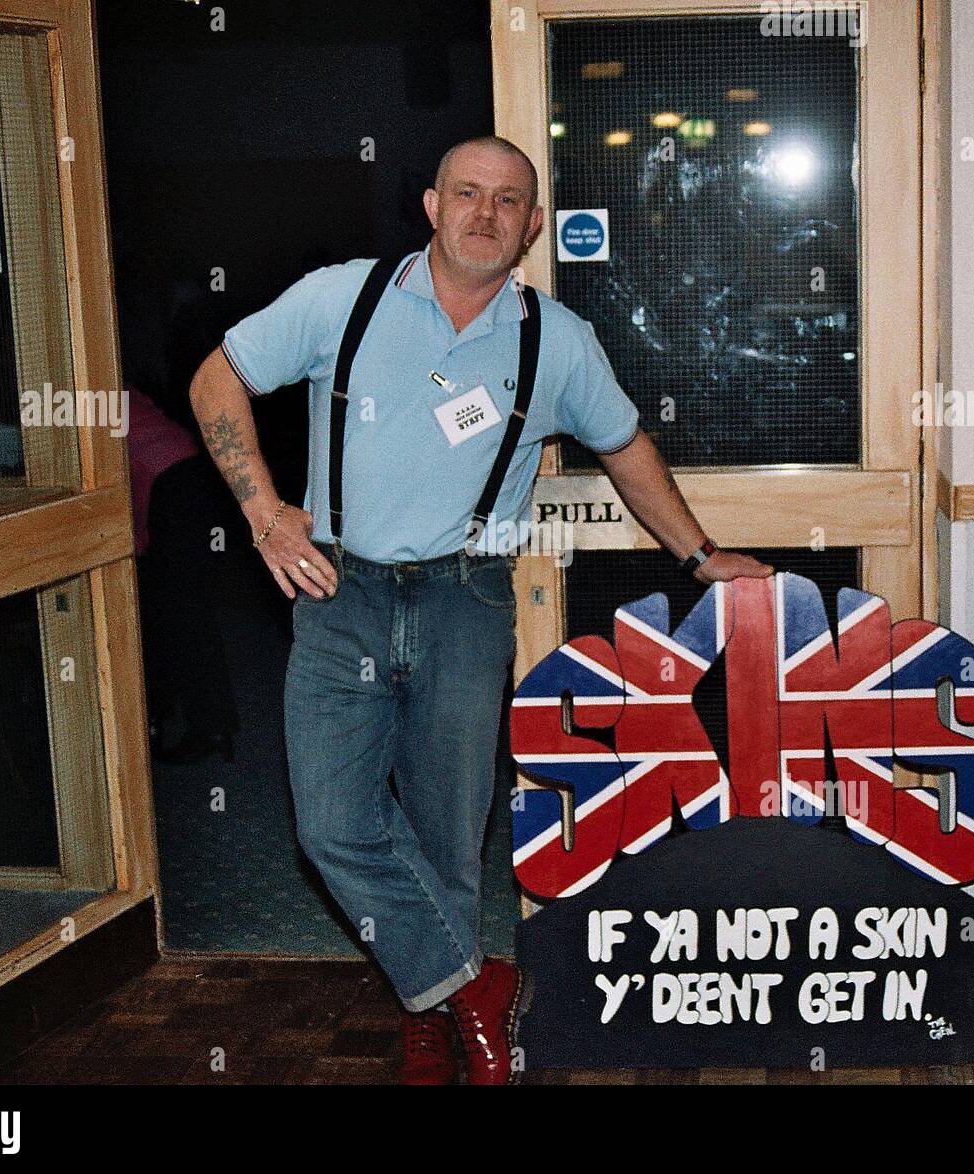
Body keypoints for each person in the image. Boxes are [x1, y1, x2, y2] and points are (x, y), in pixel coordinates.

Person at [187, 135, 773, 1085]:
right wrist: (262, 511)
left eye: (508, 201)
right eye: (468, 193)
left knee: (447, 834)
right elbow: (219, 377)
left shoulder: (555, 340)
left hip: (467, 598)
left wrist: (699, 555)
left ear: (533, 226)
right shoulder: (347, 296)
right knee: (331, 828)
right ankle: (476, 986)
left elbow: (626, 447)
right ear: (431, 204)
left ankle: (439, 1023)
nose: (485, 214)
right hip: (339, 592)